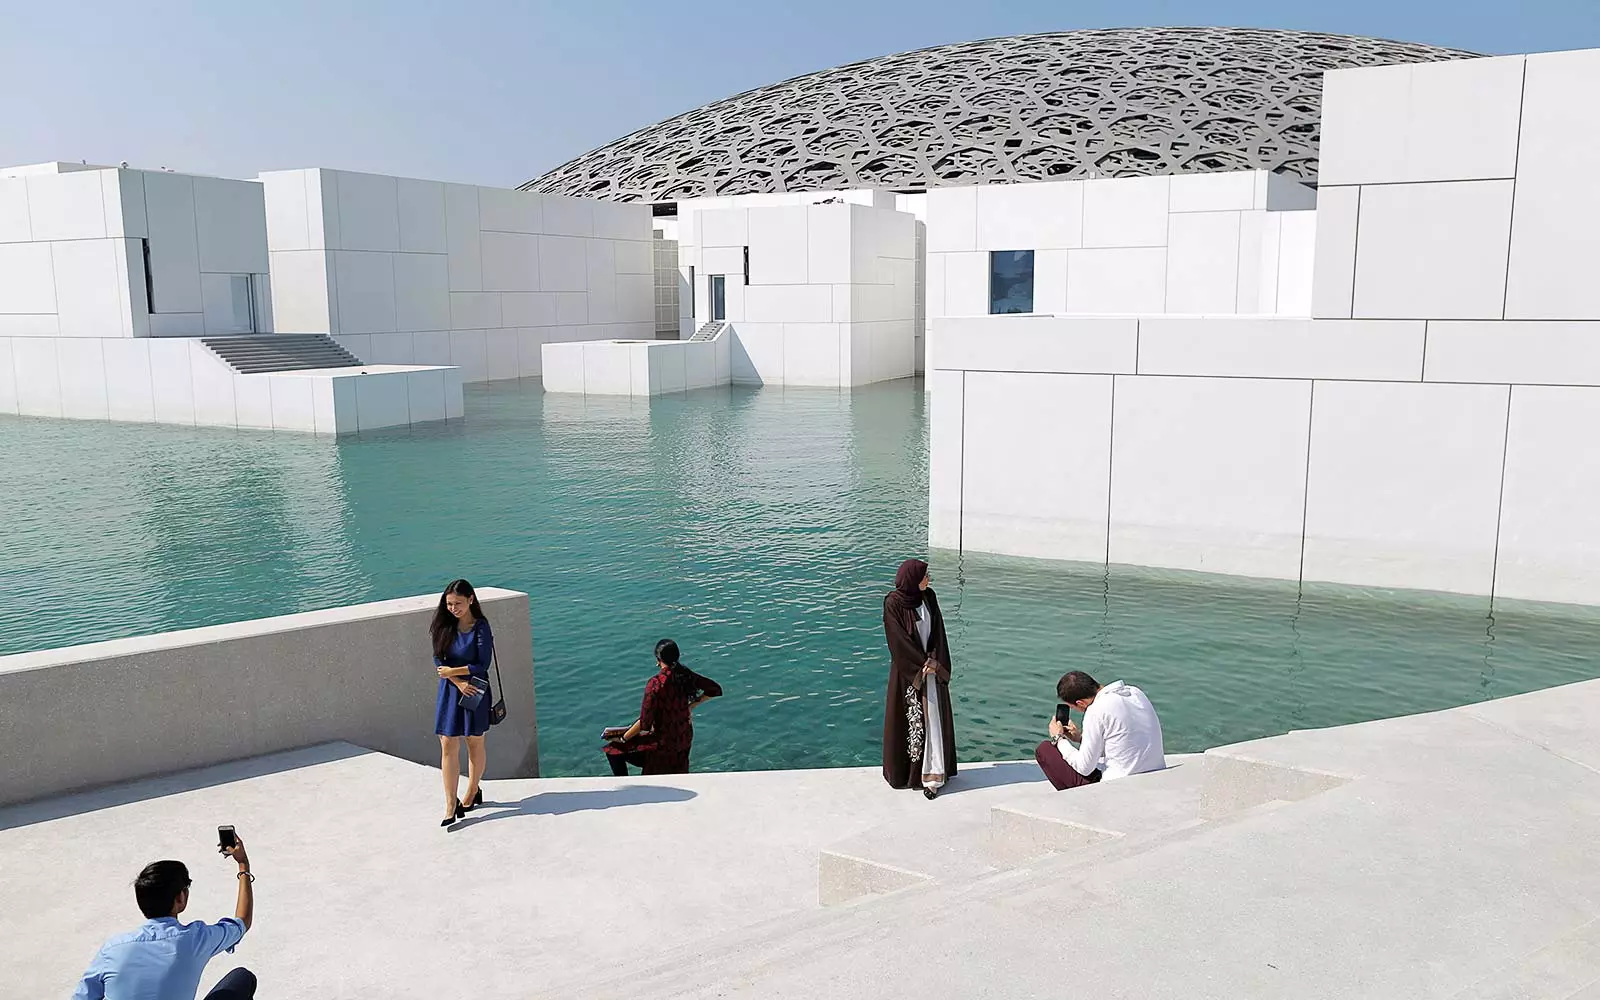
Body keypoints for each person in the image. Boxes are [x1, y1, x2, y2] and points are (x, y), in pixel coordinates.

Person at [73, 835, 257, 1000]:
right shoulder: (196, 939)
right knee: (242, 978)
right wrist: (243, 864)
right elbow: (242, 921)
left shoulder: (112, 949)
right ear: (180, 897)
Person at [881, 558, 957, 798]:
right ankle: (912, 774)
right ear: (912, 579)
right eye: (925, 576)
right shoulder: (893, 603)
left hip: (932, 670)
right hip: (909, 673)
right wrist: (920, 665)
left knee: (934, 719)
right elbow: (896, 639)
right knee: (914, 721)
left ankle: (934, 774)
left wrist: (937, 662)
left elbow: (938, 633)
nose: (929, 579)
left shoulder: (929, 597)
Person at [603, 639, 722, 775]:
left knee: (613, 750)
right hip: (683, 738)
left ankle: (627, 791)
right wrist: (691, 706)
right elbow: (715, 689)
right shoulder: (685, 675)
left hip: (663, 743)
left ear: (658, 659)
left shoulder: (655, 684)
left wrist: (623, 737)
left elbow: (645, 724)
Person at [432, 578, 495, 827]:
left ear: (471, 600)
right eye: (449, 604)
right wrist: (456, 680)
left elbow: (482, 664)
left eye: (458, 603)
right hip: (451, 689)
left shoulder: (481, 627)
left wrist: (453, 672)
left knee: (474, 742)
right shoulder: (443, 625)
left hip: (475, 690)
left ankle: (471, 791)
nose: (453, 608)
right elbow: (438, 659)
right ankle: (450, 803)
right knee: (447, 743)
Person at [1037, 670, 1166, 790]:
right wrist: (1081, 739)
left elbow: (1084, 768)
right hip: (1154, 777)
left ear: (1080, 703)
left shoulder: (1095, 710)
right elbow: (1121, 742)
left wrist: (1058, 738)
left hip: (1117, 788)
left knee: (1045, 750)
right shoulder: (1135, 693)